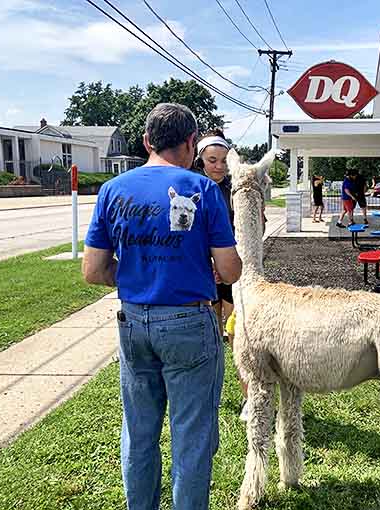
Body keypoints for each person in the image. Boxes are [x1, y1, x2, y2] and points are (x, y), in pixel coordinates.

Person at [82, 103, 241, 510]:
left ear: (148, 141)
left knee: (139, 432)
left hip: (133, 322)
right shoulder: (203, 190)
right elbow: (229, 268)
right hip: (190, 321)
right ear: (191, 143)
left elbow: (94, 270)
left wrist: (139, 271)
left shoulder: (112, 191)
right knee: (192, 436)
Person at [193, 128, 251, 421]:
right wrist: (209, 264)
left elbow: (254, 228)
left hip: (232, 273)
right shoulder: (191, 189)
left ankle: (248, 399)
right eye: (212, 160)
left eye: (224, 160)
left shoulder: (236, 190)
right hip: (202, 275)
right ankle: (207, 396)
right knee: (207, 338)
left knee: (236, 336)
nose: (218, 166)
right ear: (200, 160)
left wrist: (227, 263)